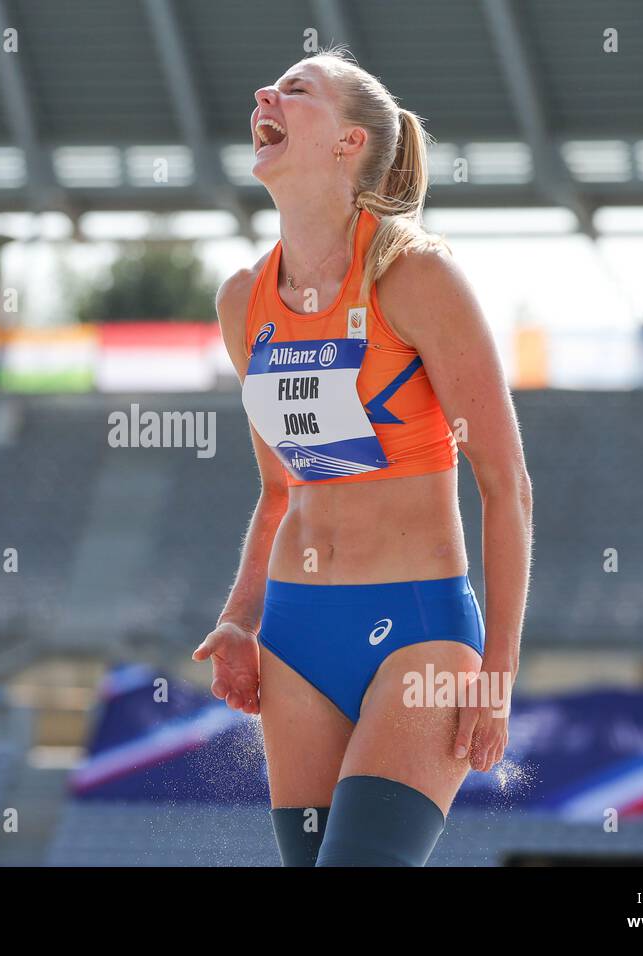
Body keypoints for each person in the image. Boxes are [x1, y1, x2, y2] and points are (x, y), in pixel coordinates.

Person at [193, 48, 533, 866]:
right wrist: (240, 616)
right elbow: (278, 491)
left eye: (298, 90)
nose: (264, 93)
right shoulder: (244, 300)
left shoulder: (415, 277)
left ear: (349, 143)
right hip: (298, 633)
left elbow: (506, 485)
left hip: (418, 634)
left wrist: (498, 676)